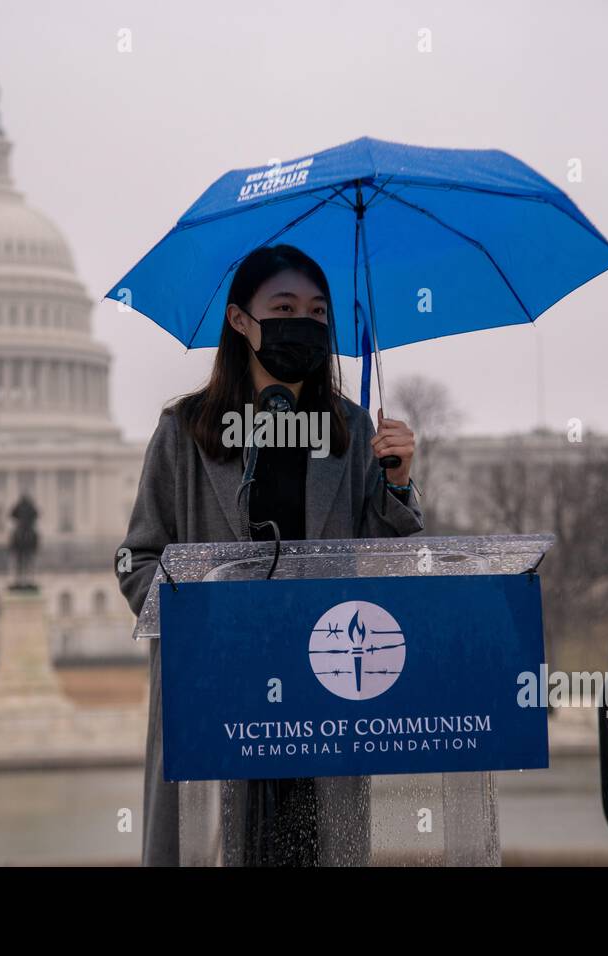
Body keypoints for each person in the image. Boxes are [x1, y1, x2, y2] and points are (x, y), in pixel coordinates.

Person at [116, 243, 423, 866]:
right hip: (218, 694)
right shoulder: (184, 431)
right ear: (240, 321)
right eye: (283, 307)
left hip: (324, 693)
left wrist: (396, 482)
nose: (302, 324)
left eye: (316, 313)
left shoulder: (352, 431)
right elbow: (138, 558)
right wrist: (207, 619)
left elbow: (383, 568)